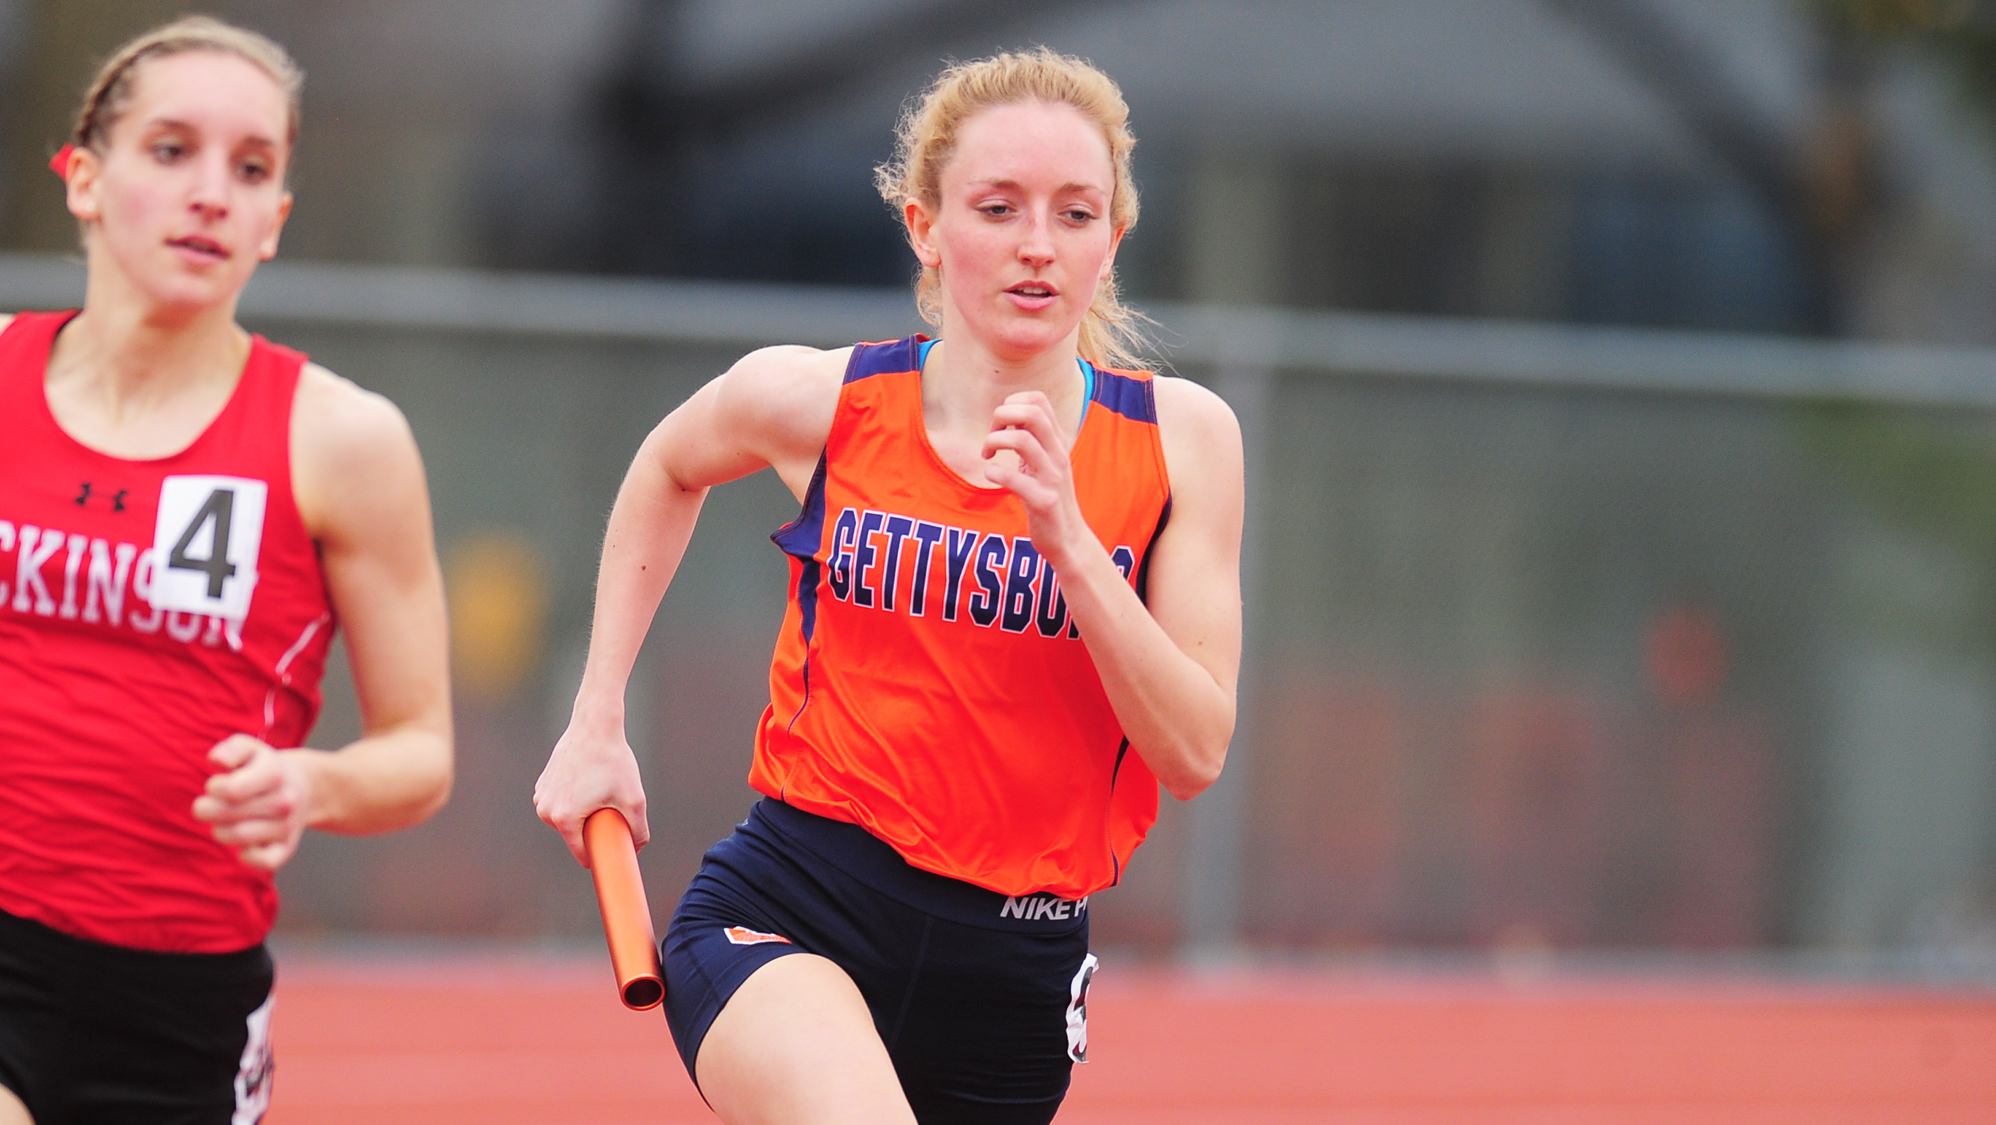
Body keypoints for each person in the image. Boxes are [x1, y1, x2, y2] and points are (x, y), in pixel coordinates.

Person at [535, 48, 1241, 1125]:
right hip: (797, 905)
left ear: (1114, 240)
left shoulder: (1180, 444)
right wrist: (596, 718)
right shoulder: (823, 402)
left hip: (1015, 965)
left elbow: (1192, 751)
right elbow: (667, 466)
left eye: (1074, 212)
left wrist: (1066, 542)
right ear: (923, 227)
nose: (1036, 246)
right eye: (997, 208)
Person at [0, 18, 452, 1125]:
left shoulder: (342, 441)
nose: (212, 193)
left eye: (250, 169)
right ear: (84, 180)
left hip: (175, 998)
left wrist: (312, 784)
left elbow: (421, 754)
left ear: (274, 223)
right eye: (170, 151)